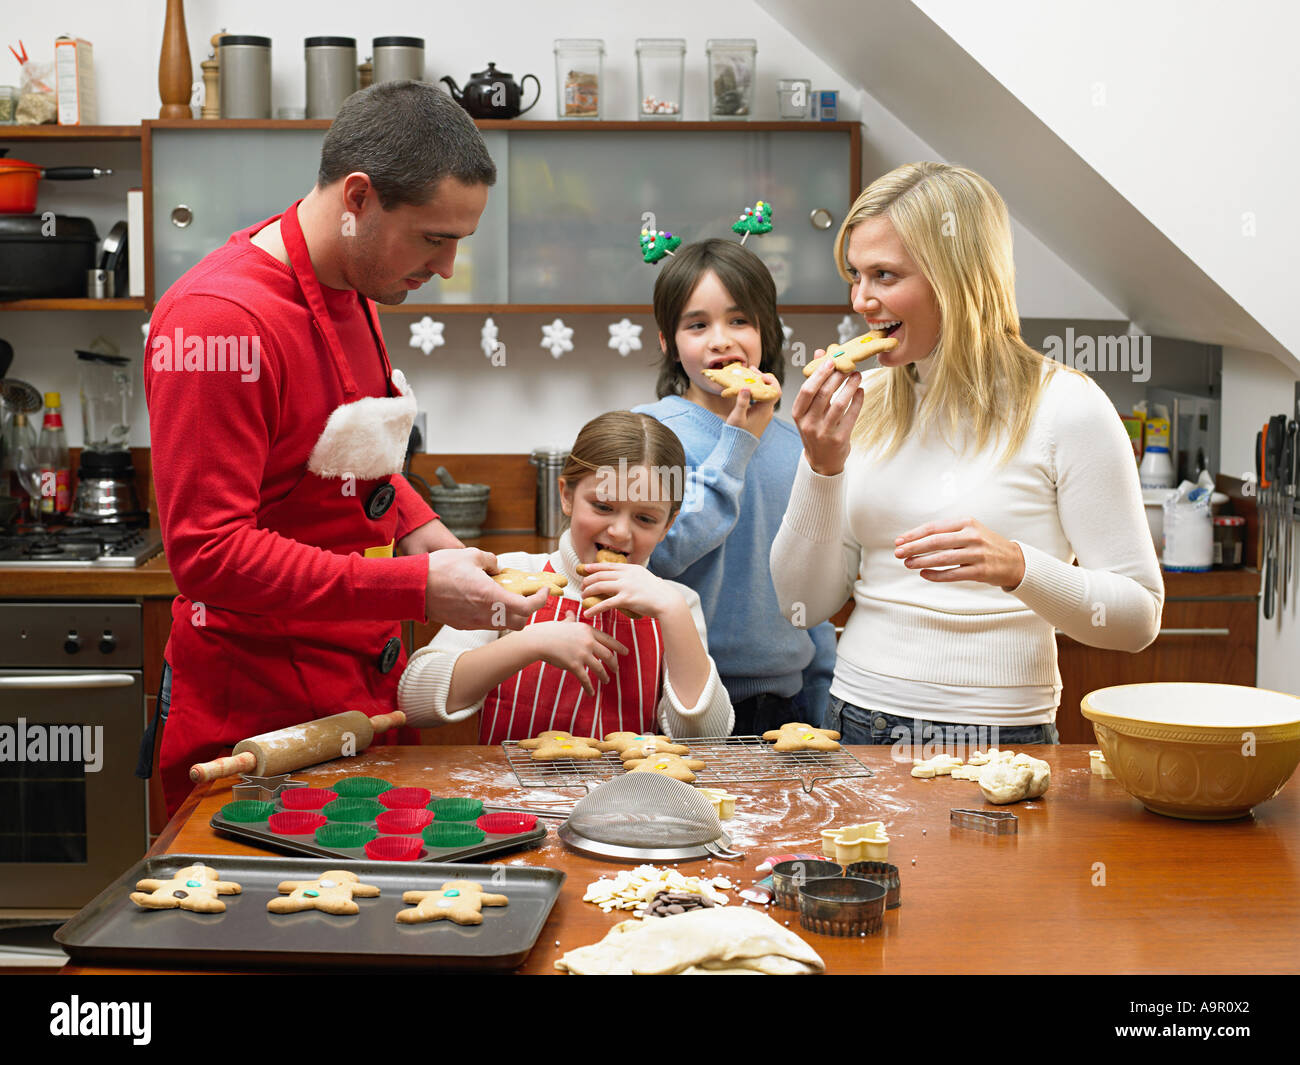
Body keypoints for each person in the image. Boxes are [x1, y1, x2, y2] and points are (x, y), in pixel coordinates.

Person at [144, 82, 549, 815]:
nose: (449, 266)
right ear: (358, 197)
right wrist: (420, 586)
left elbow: (355, 457)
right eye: (433, 237)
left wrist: (427, 532)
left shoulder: (355, 282)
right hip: (257, 722)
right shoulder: (218, 322)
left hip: (356, 693)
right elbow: (209, 555)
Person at [771, 162, 1164, 750]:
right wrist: (820, 466)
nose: (861, 301)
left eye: (884, 275)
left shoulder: (1067, 407)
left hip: (1000, 735)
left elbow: (1137, 619)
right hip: (854, 720)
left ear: (957, 277)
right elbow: (801, 606)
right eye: (855, 275)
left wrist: (1018, 566)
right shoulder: (866, 402)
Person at [398, 411, 734, 740]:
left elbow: (708, 736)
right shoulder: (510, 576)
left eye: (645, 519)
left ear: (667, 526)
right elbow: (415, 702)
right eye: (603, 507)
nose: (618, 531)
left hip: (629, 796)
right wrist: (531, 642)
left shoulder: (677, 605)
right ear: (567, 496)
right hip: (512, 795)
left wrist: (673, 612)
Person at [633, 239, 837, 735]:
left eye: (739, 320)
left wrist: (821, 695)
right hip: (675, 698)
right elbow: (659, 557)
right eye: (697, 324)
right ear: (667, 342)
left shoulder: (800, 446)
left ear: (768, 331)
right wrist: (737, 445)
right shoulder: (648, 436)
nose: (720, 340)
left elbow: (811, 587)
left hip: (782, 705)